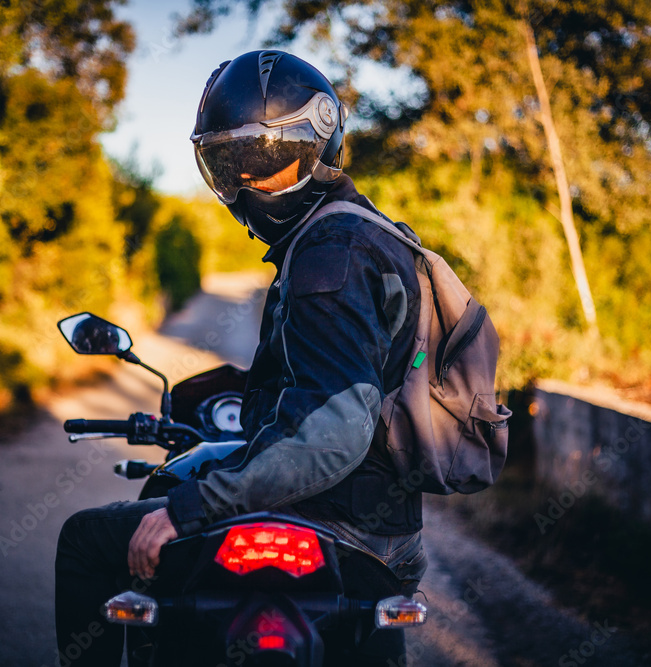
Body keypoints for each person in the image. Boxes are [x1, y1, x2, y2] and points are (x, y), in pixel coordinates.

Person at [54, 50, 427, 664]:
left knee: (85, 540)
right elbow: (341, 369)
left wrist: (192, 507)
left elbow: (335, 431)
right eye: (233, 165)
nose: (248, 185)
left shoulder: (328, 254)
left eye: (267, 166)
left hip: (344, 525)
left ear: (315, 151)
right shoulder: (362, 232)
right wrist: (248, 383)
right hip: (384, 520)